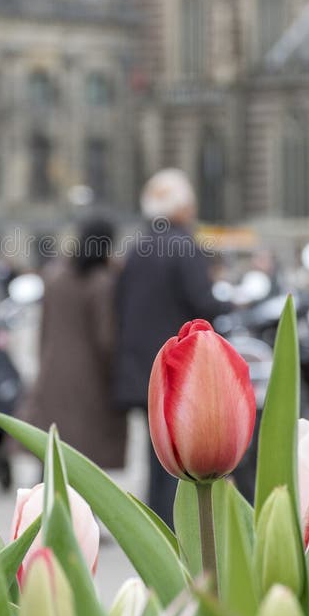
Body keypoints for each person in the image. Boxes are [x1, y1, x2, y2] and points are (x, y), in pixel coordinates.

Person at [114, 168, 227, 528]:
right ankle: (176, 526)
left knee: (156, 452)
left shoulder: (137, 248)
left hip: (143, 368)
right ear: (180, 209)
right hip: (180, 368)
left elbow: (118, 306)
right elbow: (203, 303)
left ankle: (156, 525)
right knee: (180, 455)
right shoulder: (184, 246)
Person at [23, 217, 127, 470]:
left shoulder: (54, 276)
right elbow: (106, 339)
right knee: (84, 463)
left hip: (52, 373)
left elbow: (43, 329)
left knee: (51, 454)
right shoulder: (101, 283)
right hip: (90, 381)